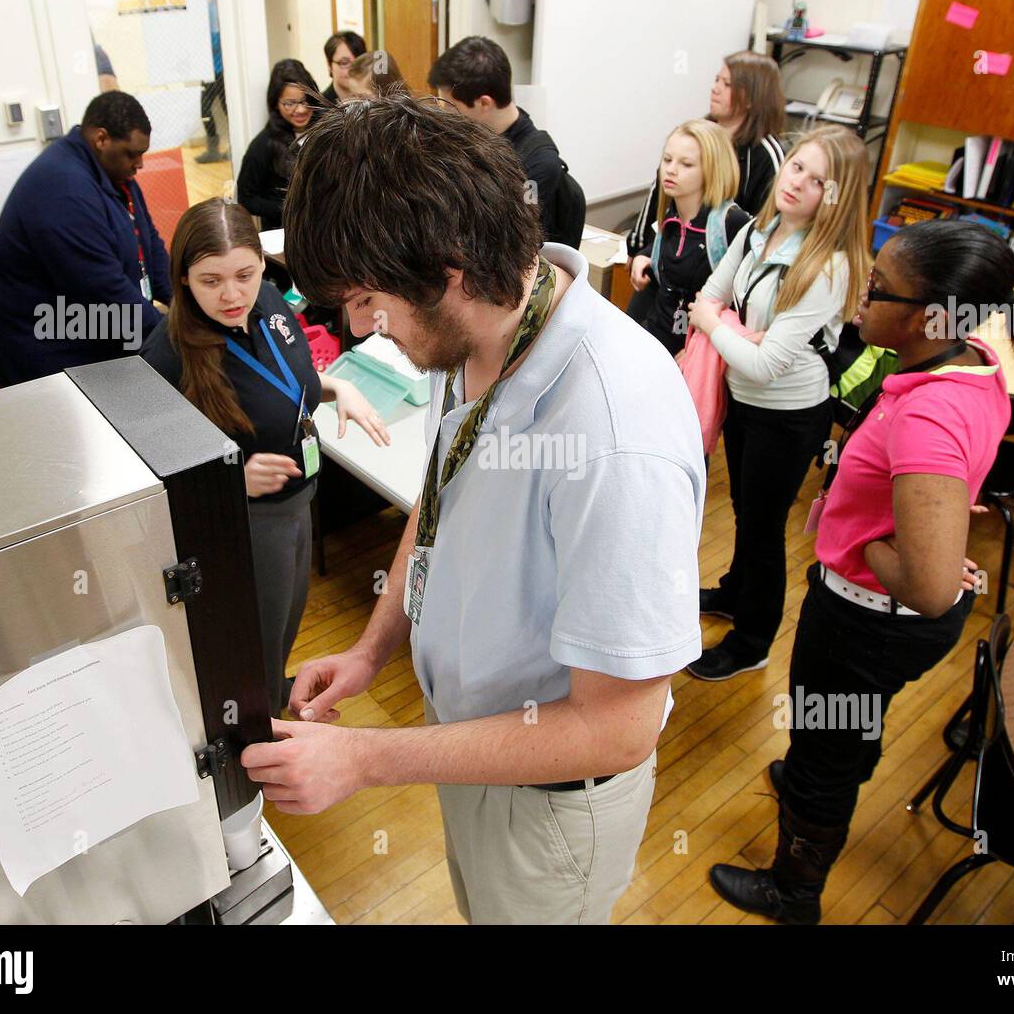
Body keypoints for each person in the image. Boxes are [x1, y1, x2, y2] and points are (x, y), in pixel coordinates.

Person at [240, 96, 705, 926]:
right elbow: (444, 490)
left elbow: (618, 726)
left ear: (449, 269)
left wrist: (365, 760)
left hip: (553, 799)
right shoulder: (489, 330)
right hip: (475, 748)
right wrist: (374, 647)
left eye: (365, 301)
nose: (361, 331)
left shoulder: (614, 430)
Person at [708, 218, 1014, 923]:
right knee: (842, 728)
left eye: (877, 289)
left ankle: (794, 889)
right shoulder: (973, 356)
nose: (859, 297)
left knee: (824, 754)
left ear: (930, 316)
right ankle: (823, 762)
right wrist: (940, 515)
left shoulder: (928, 415)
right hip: (883, 625)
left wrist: (870, 545)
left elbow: (927, 589)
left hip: (867, 620)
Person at [140, 199, 388, 715]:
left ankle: (273, 699)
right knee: (252, 636)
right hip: (246, 522)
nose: (232, 295)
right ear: (183, 279)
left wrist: (335, 386)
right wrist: (229, 480)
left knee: (283, 623)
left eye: (244, 275)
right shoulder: (166, 355)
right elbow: (147, 476)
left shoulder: (269, 301)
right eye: (210, 281)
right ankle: (258, 729)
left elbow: (288, 378)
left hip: (298, 499)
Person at [685, 125, 870, 679]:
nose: (798, 184)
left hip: (788, 417)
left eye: (819, 182)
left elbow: (761, 358)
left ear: (836, 199)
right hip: (743, 400)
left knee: (764, 531)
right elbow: (712, 295)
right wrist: (738, 333)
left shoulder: (828, 267)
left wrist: (717, 329)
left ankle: (754, 639)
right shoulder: (757, 231)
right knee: (745, 511)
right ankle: (735, 592)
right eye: (796, 168)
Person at [0, 91, 170, 387]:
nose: (140, 164)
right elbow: (103, 289)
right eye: (132, 154)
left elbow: (150, 244)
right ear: (101, 139)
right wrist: (171, 336)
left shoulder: (116, 176)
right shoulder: (61, 188)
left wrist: (187, 304)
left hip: (95, 329)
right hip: (50, 347)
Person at [627, 51, 786, 281]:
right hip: (673, 254)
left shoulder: (766, 155)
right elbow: (660, 191)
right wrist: (639, 246)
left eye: (727, 84)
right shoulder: (698, 133)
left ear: (752, 97)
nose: (715, 88)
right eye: (716, 80)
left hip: (721, 270)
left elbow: (767, 226)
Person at [427, 35, 585, 247]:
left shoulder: (538, 165)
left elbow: (501, 244)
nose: (446, 114)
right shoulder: (473, 142)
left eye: (451, 106)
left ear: (484, 103)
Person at [625, 119, 749, 358]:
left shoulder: (732, 224)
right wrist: (646, 254)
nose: (671, 170)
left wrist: (693, 352)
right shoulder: (670, 214)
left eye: (687, 164)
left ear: (713, 170)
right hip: (656, 341)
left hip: (697, 355)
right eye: (667, 160)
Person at [237, 59, 319, 230]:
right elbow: (246, 198)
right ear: (275, 103)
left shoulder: (325, 132)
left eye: (306, 100)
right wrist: (287, 208)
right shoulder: (262, 145)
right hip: (283, 235)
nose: (301, 110)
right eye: (289, 104)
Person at [196, 0, 229, 163]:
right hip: (208, 70)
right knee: (206, 110)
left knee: (224, 110)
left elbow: (216, 40)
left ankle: (224, 149)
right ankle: (213, 150)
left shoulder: (216, 6)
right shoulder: (203, 6)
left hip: (221, 70)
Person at [322, 31, 367, 104]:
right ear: (329, 65)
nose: (353, 69)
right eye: (344, 63)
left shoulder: (374, 101)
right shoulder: (318, 108)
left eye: (359, 61)